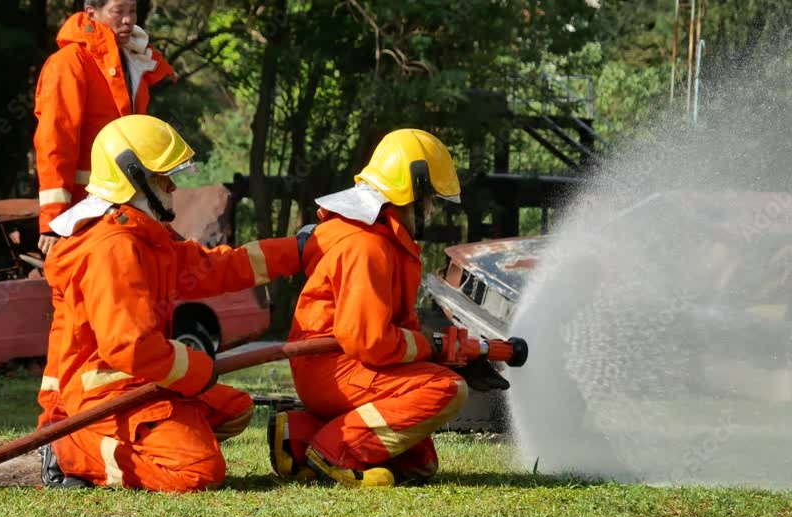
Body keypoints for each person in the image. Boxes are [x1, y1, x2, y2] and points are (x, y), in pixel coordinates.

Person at [37, 115, 309, 492]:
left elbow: (216, 267)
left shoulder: (146, 239)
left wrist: (296, 252)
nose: (173, 185)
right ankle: (69, 449)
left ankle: (167, 433)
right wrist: (194, 369)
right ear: (134, 178)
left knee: (236, 408)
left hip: (137, 384)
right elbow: (129, 348)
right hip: (105, 397)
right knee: (200, 471)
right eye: (163, 176)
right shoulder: (114, 249)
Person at [267, 129, 470, 488]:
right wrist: (430, 348)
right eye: (430, 200)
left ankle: (298, 437)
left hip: (336, 368)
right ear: (414, 192)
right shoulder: (368, 247)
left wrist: (435, 355)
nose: (432, 209)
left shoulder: (385, 243)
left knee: (418, 463)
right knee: (448, 389)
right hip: (336, 369)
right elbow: (370, 341)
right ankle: (335, 453)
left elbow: (393, 331)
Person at [34, 0, 174, 256]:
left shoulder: (131, 62)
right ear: (91, 13)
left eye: (132, 11)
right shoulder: (69, 64)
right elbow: (55, 144)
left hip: (119, 209)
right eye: (118, 11)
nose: (128, 20)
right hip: (83, 213)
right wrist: (54, 222)